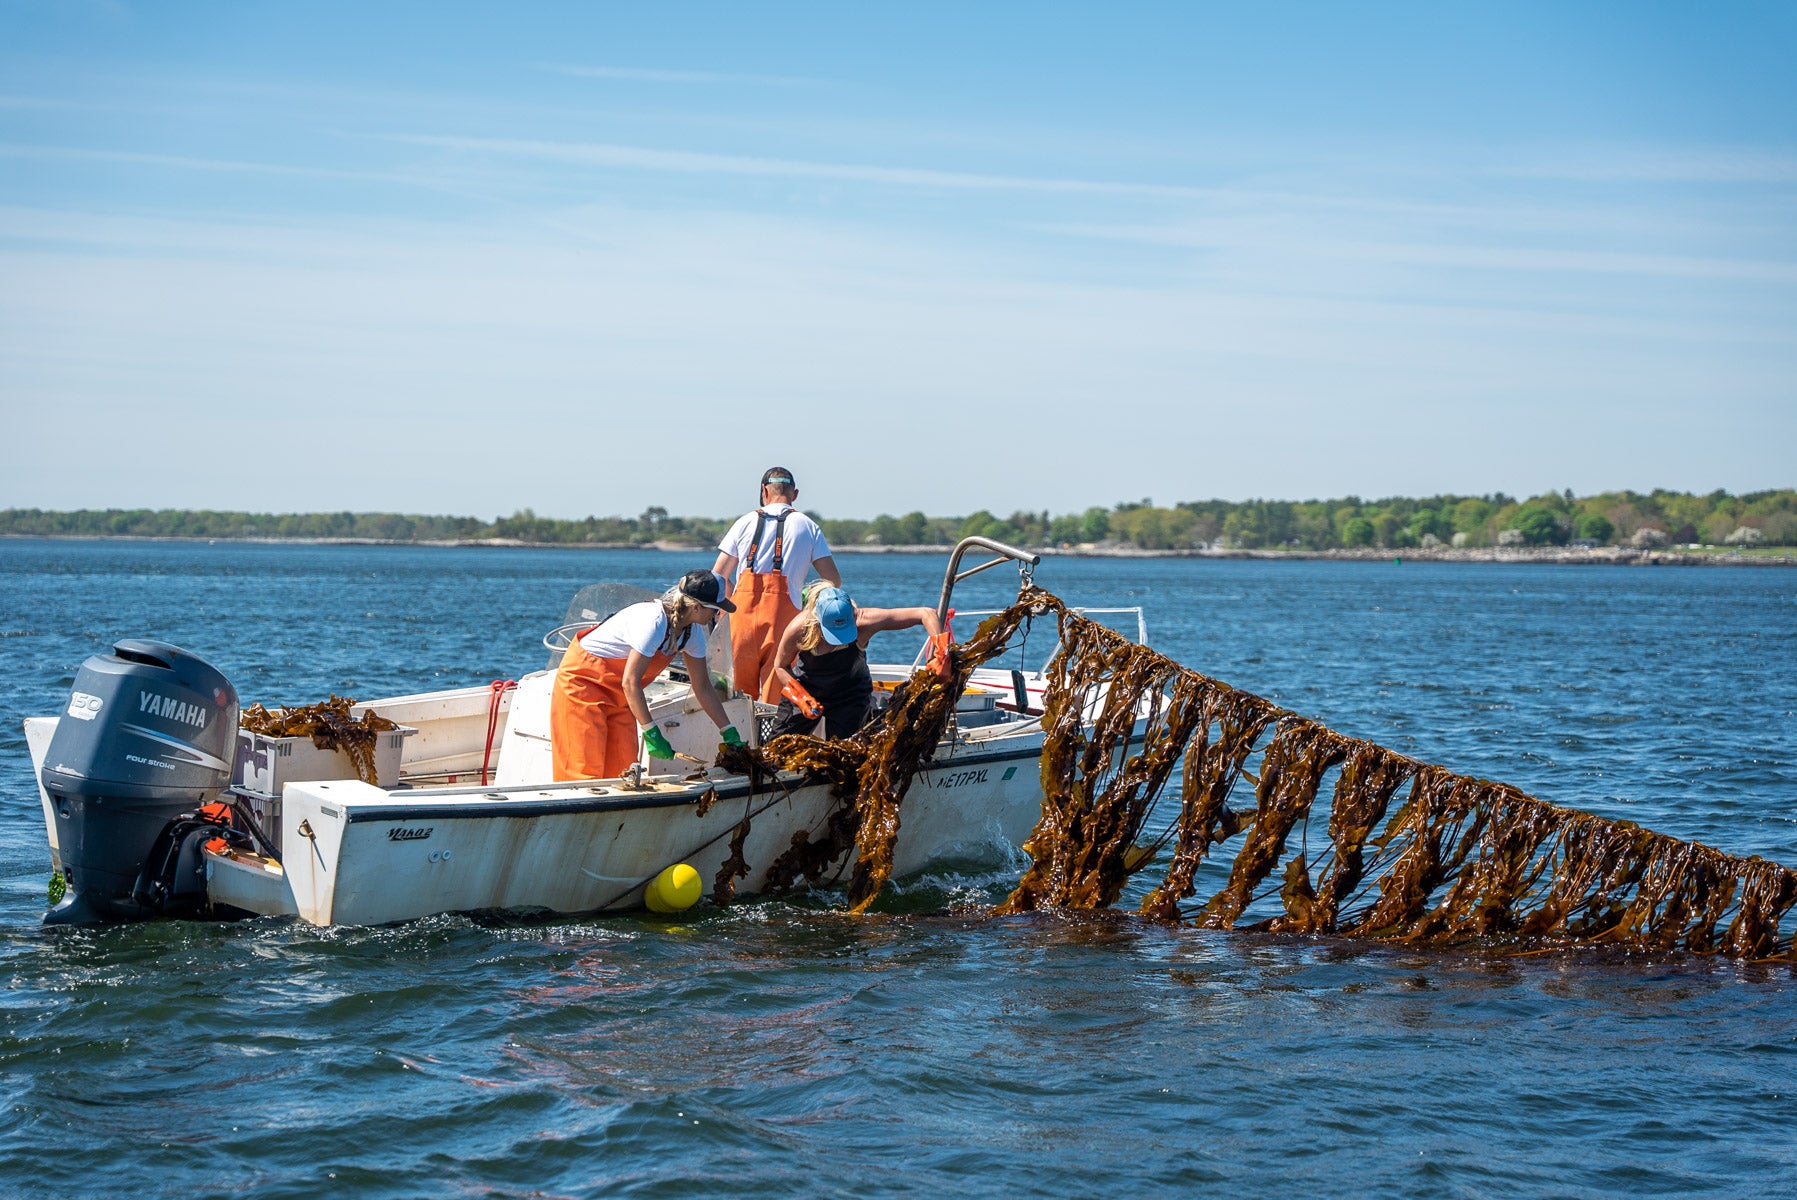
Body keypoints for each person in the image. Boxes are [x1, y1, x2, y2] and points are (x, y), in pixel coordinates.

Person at [550, 569, 744, 781]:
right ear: (696, 607)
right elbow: (631, 682)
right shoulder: (654, 622)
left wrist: (728, 730)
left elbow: (703, 686)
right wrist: (651, 732)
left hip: (621, 697)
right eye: (715, 610)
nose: (715, 616)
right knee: (583, 772)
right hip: (583, 686)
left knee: (622, 772)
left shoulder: (692, 632)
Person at [713, 466, 842, 703]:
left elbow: (718, 576)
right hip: (785, 625)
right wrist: (807, 603)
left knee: (736, 700)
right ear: (795, 494)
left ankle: (739, 739)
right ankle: (770, 738)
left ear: (764, 491)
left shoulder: (744, 522)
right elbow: (833, 582)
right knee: (774, 699)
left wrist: (726, 612)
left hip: (739, 623)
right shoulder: (808, 526)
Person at [766, 585, 946, 741]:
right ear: (817, 620)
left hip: (849, 695)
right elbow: (780, 666)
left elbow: (926, 613)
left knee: (844, 755)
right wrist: (802, 698)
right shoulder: (799, 628)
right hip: (806, 689)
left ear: (853, 617)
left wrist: (941, 653)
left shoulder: (866, 621)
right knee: (776, 750)